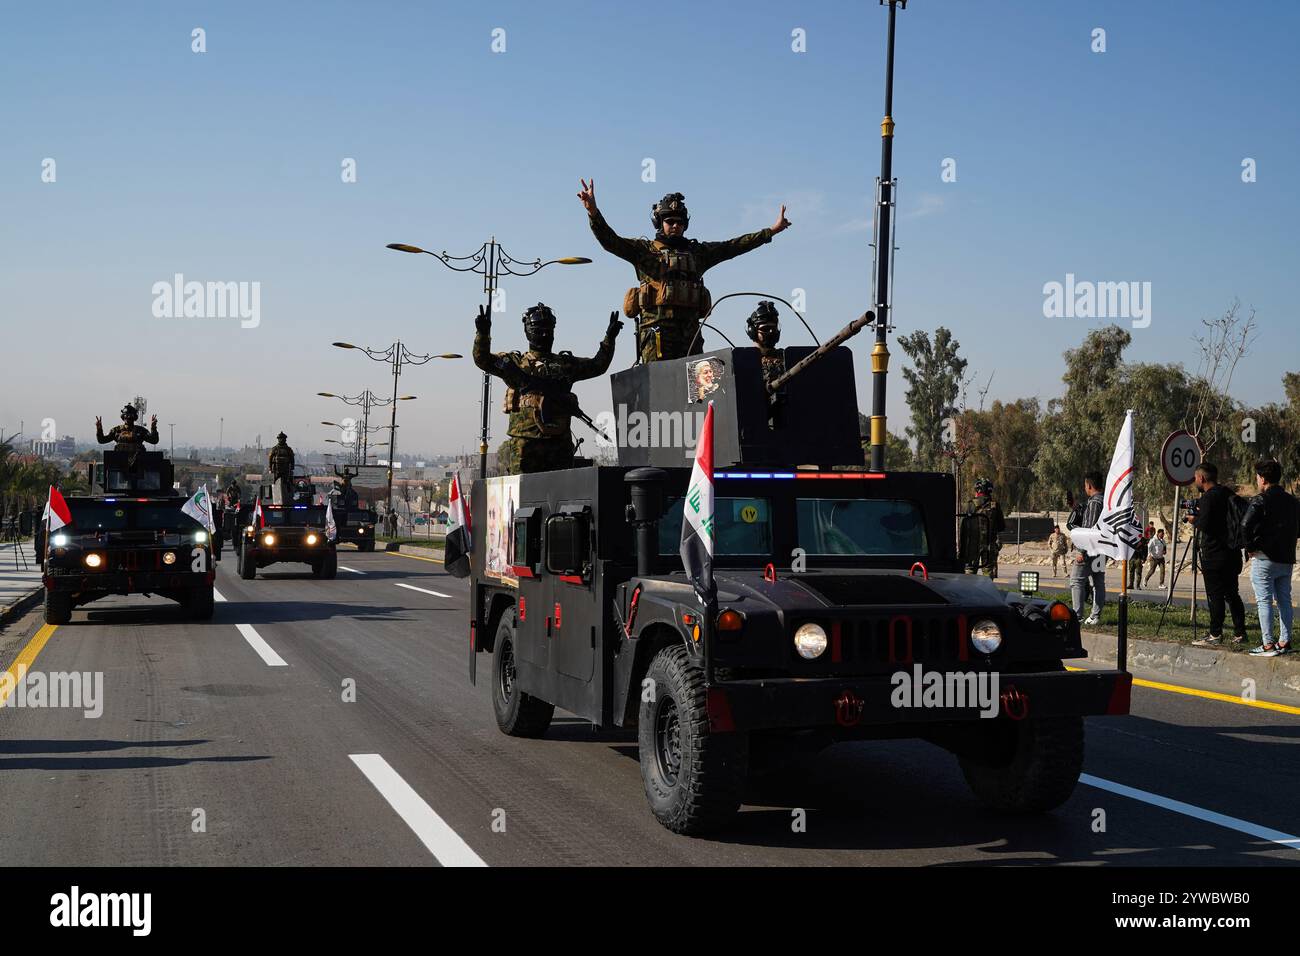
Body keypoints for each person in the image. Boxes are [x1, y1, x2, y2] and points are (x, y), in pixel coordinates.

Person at [577, 180, 790, 363]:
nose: (675, 226)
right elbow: (610, 241)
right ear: (659, 222)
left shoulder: (697, 253)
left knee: (695, 390)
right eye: (670, 221)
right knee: (659, 389)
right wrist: (593, 212)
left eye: (679, 222)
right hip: (656, 335)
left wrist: (771, 231)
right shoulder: (644, 252)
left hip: (690, 335)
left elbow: (733, 246)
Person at [473, 302, 621, 473]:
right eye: (538, 329)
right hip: (525, 443)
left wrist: (609, 338)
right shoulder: (515, 363)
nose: (544, 334)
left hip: (559, 442)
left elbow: (597, 366)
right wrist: (483, 334)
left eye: (548, 330)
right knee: (523, 493)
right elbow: (482, 359)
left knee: (563, 492)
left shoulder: (565, 364)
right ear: (527, 331)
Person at [1242, 459, 1298, 657]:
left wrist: (1250, 547)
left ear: (1263, 478)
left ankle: (1267, 645)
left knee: (1264, 601)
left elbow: (1245, 525)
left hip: (1264, 557)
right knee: (1284, 600)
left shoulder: (1260, 500)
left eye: (1257, 477)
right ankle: (1285, 641)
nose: (1257, 480)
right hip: (1286, 558)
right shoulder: (1292, 501)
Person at [1189, 462, 1248, 647]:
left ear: (1202, 478)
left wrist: (1193, 519)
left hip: (1214, 554)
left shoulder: (1208, 497)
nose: (1195, 481)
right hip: (1232, 552)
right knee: (1232, 594)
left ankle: (1215, 634)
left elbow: (1205, 525)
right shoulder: (1228, 493)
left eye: (1195, 478)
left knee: (1215, 595)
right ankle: (1240, 632)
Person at [1068, 471, 1106, 625]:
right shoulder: (1106, 502)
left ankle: (1077, 616)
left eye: (1085, 485)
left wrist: (1081, 551)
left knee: (1076, 580)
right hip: (1102, 549)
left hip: (1089, 550)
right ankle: (1095, 616)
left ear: (1089, 485)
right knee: (1098, 582)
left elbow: (1089, 529)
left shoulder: (1093, 503)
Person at [965, 477, 1006, 578]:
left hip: (972, 546)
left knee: (969, 573)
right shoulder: (995, 506)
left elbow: (965, 526)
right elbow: (1001, 527)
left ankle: (968, 593)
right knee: (988, 575)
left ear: (978, 490)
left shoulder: (971, 505)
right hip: (989, 545)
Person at [95, 405, 160, 468]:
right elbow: (102, 440)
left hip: (139, 465)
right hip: (119, 466)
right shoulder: (117, 431)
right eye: (126, 415)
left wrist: (153, 428)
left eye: (130, 416)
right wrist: (99, 429)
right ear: (123, 417)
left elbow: (154, 440)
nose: (128, 418)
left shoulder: (141, 431)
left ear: (134, 417)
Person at [746, 300, 785, 389]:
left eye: (773, 328)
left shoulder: (785, 357)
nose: (771, 332)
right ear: (753, 332)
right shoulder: (745, 360)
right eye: (765, 328)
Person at [267, 432, 296, 505]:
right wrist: (270, 468)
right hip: (277, 469)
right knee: (273, 482)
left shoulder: (288, 449)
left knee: (288, 482)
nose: (281, 440)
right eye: (280, 439)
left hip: (286, 469)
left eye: (283, 439)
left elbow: (292, 458)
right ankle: (269, 495)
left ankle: (290, 495)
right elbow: (270, 458)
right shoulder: (275, 449)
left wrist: (292, 467)